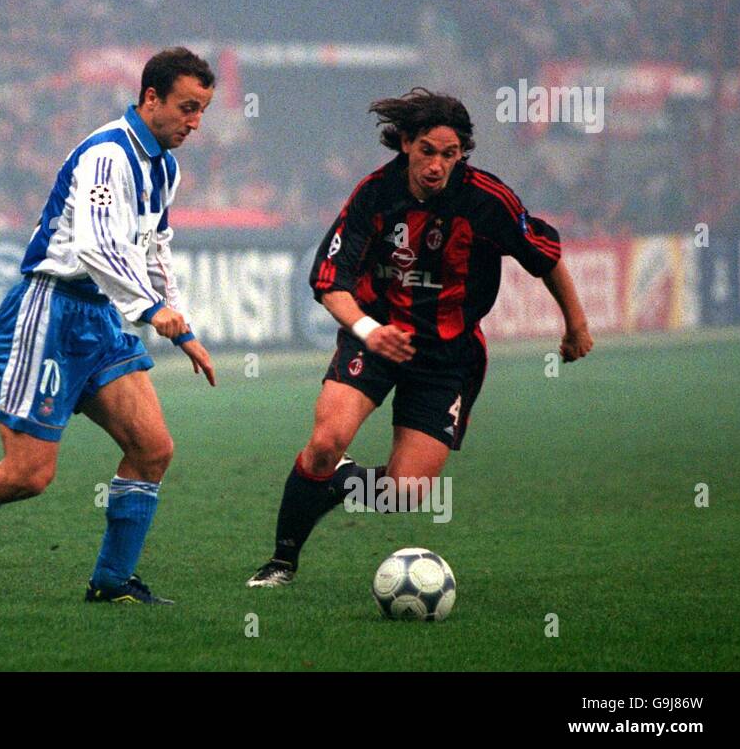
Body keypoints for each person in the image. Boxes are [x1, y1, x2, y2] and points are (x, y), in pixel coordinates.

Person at [0, 47, 217, 604]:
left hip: (99, 318)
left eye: (202, 110)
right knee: (28, 474)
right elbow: (95, 247)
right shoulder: (108, 155)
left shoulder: (164, 167)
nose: (195, 123)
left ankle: (111, 583)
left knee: (152, 448)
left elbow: (156, 247)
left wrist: (182, 325)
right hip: (50, 309)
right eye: (187, 107)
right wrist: (152, 311)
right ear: (150, 97)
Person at [248, 88, 593, 587]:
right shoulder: (374, 194)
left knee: (405, 493)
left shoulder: (485, 199)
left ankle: (339, 484)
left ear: (462, 155)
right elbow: (328, 282)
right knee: (326, 441)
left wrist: (576, 324)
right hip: (375, 337)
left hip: (446, 356)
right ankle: (282, 560)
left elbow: (544, 254)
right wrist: (369, 329)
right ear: (406, 143)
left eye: (449, 154)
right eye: (427, 150)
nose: (436, 165)